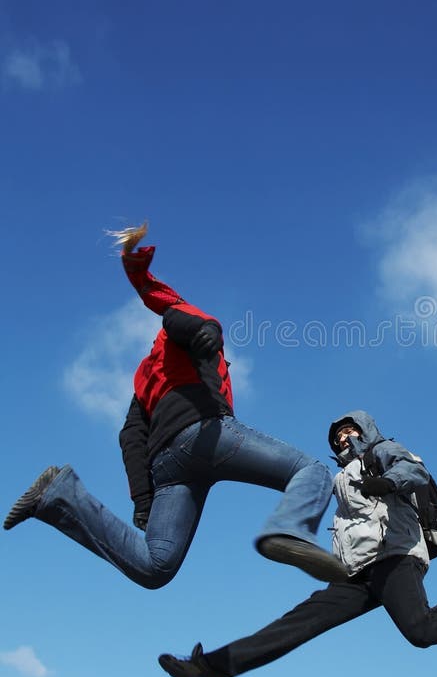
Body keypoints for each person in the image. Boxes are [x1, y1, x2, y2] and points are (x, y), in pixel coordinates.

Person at [3, 225, 346, 587]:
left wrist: (143, 501)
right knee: (311, 471)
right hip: (204, 432)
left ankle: (59, 494)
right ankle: (289, 529)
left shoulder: (144, 378)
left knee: (156, 566)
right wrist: (208, 332)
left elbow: (130, 437)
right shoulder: (181, 332)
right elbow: (178, 316)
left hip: (168, 467)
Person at [158, 409, 437, 677]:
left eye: (349, 431)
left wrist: (386, 483)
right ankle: (211, 668)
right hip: (356, 573)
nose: (342, 438)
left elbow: (413, 471)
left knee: (422, 630)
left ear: (366, 431)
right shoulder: (339, 476)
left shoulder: (381, 451)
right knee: (300, 622)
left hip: (396, 556)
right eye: (337, 437)